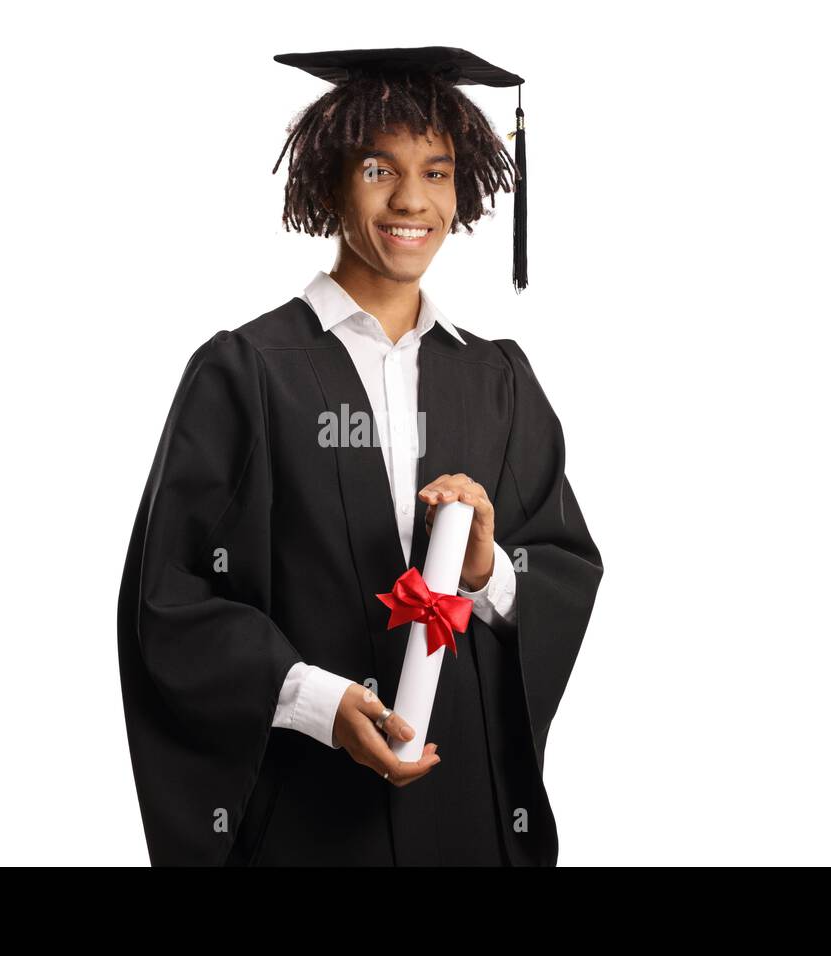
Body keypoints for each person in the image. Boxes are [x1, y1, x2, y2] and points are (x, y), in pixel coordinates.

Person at [116, 46, 604, 866]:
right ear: (326, 180)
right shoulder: (247, 372)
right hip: (307, 820)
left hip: (465, 816)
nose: (413, 199)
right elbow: (169, 599)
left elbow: (561, 570)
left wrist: (489, 572)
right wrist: (317, 699)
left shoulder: (498, 380)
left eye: (439, 172)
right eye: (380, 169)